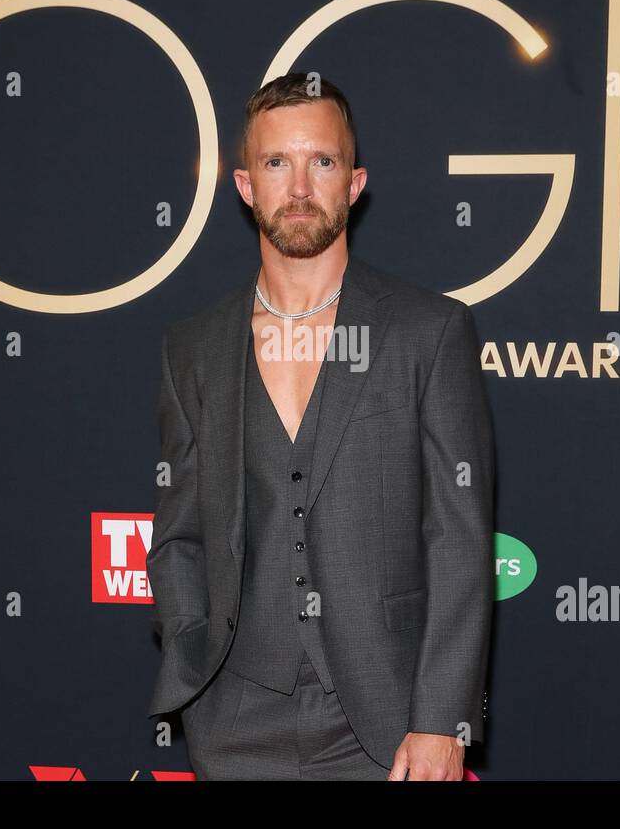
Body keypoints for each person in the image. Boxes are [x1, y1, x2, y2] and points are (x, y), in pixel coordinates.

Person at [146, 72, 494, 780]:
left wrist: (441, 718)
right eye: (277, 163)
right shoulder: (194, 348)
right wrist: (193, 653)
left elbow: (458, 539)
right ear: (246, 186)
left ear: (354, 182)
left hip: (386, 724)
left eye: (322, 162)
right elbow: (179, 531)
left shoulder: (427, 331)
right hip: (233, 719)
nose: (299, 187)